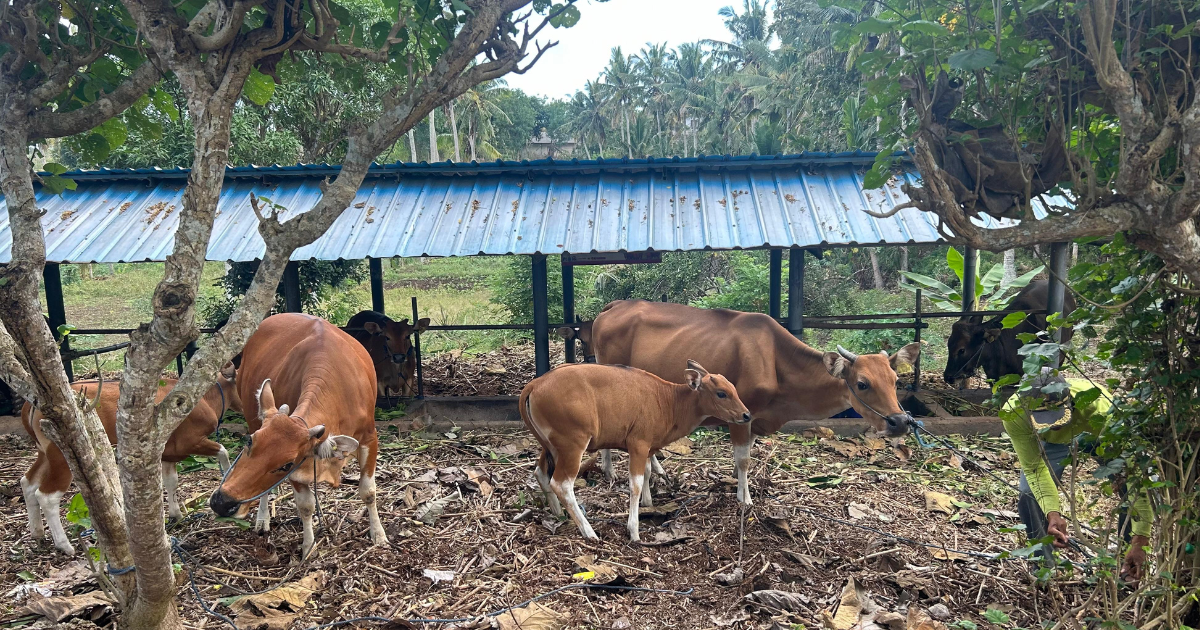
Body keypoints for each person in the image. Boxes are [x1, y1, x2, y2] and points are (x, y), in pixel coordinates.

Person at [1002, 369, 1152, 581]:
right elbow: (1034, 469)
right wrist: (1052, 513)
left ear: (1070, 401)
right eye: (1047, 421)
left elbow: (1136, 475)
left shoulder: (1099, 405)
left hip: (1097, 433)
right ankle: (1044, 566)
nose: (1055, 426)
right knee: (1029, 493)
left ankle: (1128, 561)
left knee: (1128, 487)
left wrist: (1141, 539)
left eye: (1058, 419)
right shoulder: (1014, 414)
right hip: (1050, 445)